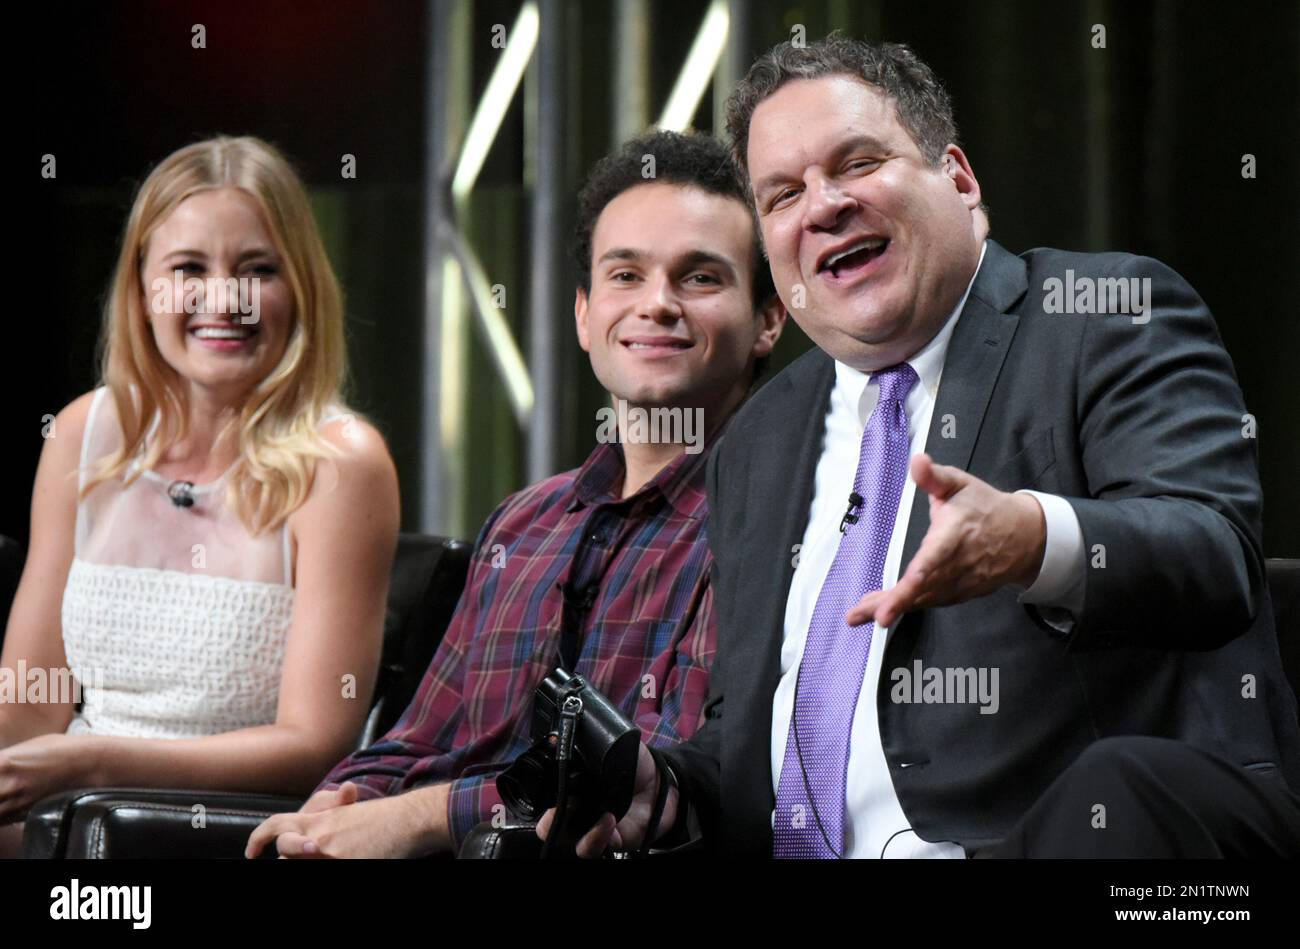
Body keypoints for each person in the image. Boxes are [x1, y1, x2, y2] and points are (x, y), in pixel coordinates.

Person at [551, 35, 1300, 859]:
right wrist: (667, 791)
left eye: (858, 163)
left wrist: (1032, 538)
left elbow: (1214, 554)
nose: (823, 206)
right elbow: (744, 731)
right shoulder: (758, 440)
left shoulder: (1103, 317)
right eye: (782, 195)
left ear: (960, 179)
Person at [244, 130, 785, 859]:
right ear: (584, 314)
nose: (657, 304)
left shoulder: (773, 520)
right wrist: (337, 807)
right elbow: (416, 739)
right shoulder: (524, 521)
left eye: (700, 278)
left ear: (769, 320)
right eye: (626, 276)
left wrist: (418, 816)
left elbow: (651, 786)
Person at [0, 136, 399, 857]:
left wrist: (91, 763)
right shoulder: (81, 434)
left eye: (258, 269)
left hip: (226, 836)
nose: (224, 298)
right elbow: (28, 707)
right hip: (66, 825)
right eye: (188, 268)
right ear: (141, 290)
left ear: (300, 287)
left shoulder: (343, 464)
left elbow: (314, 743)